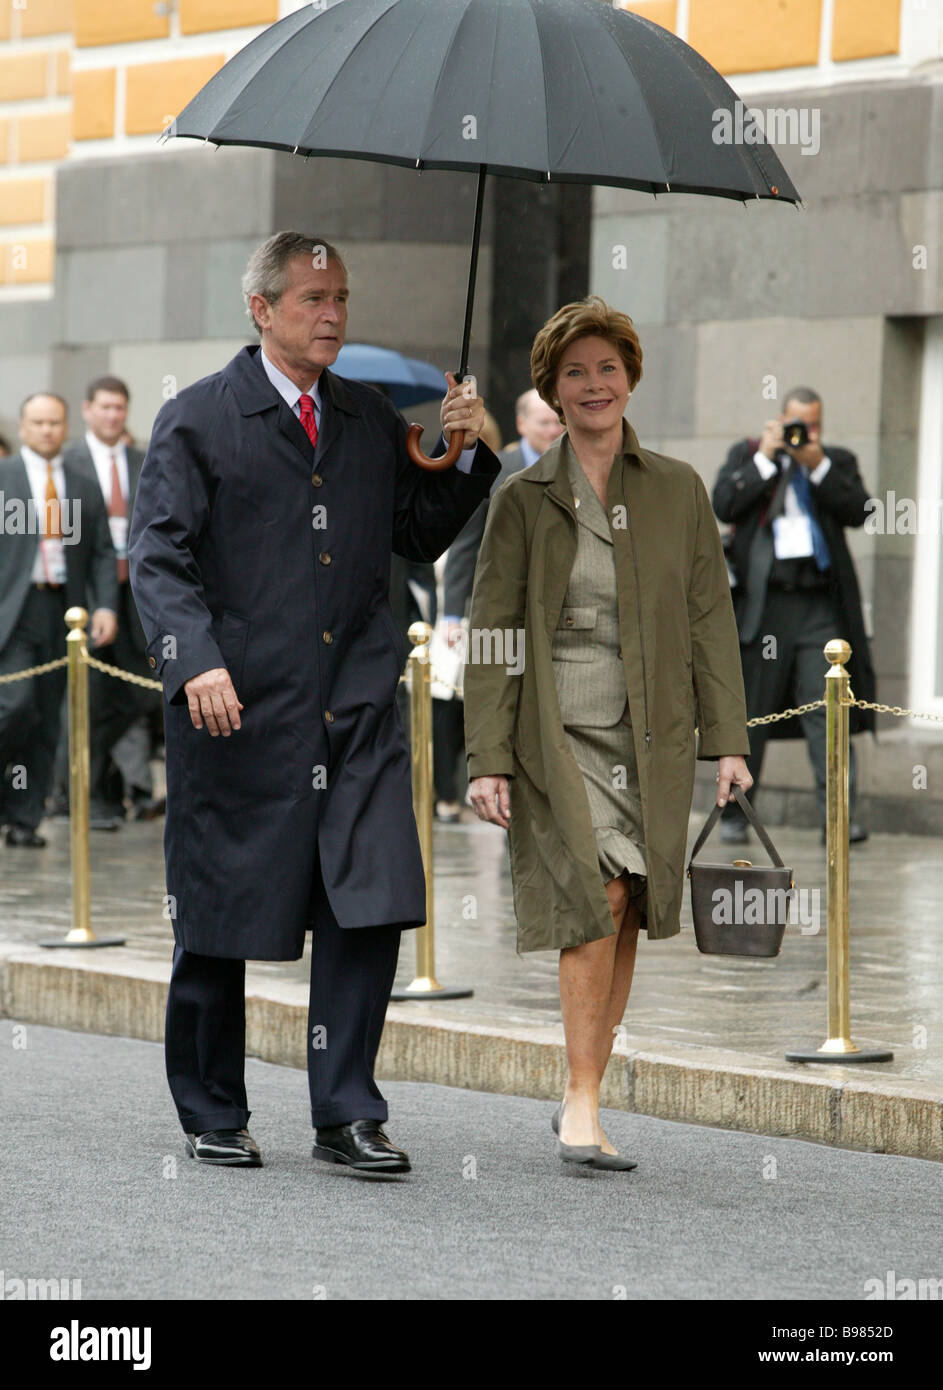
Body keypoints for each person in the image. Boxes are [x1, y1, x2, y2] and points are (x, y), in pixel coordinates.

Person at [129, 231, 500, 1173]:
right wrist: (195, 661)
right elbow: (157, 558)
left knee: (364, 904)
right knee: (219, 912)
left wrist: (466, 454)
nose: (333, 313)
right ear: (261, 309)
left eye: (340, 297)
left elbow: (414, 536)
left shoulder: (370, 415)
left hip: (359, 705)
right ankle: (213, 1106)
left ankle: (346, 1112)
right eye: (311, 299)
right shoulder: (198, 418)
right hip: (238, 711)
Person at [463, 296, 753, 1170]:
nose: (594, 384)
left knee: (628, 911)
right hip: (557, 735)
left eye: (607, 368)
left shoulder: (676, 488)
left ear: (630, 376)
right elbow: (492, 630)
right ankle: (584, 1100)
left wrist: (728, 742)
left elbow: (709, 617)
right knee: (598, 902)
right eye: (575, 372)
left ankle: (578, 1085)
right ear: (550, 388)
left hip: (652, 737)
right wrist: (485, 755)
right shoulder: (522, 496)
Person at [712, 388, 875, 846]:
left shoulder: (835, 461)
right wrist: (767, 456)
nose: (805, 433)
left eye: (814, 424)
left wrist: (816, 462)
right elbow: (722, 503)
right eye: (797, 424)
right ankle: (735, 814)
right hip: (765, 607)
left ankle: (838, 818)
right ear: (780, 419)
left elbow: (861, 509)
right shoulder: (747, 454)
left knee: (828, 711)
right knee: (751, 716)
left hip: (818, 606)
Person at [0, 394, 118, 845]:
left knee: (47, 719)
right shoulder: (5, 476)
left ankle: (24, 818)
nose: (47, 430)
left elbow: (105, 552)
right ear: (24, 426)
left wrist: (105, 606)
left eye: (54, 422)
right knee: (16, 705)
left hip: (65, 611)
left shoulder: (83, 483)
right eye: (38, 422)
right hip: (15, 609)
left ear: (65, 425)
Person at [65, 375, 164, 829]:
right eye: (104, 407)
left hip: (137, 592)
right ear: (87, 409)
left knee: (138, 693)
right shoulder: (68, 462)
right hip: (86, 594)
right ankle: (88, 796)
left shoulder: (143, 460)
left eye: (119, 408)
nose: (112, 415)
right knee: (93, 697)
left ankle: (109, 790)